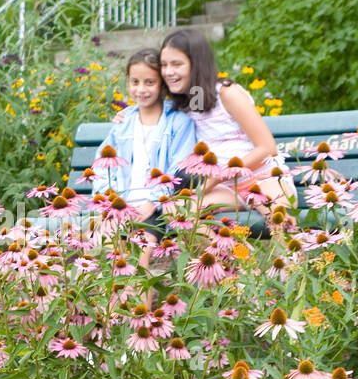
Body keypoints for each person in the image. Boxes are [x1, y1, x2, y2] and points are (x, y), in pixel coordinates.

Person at [159, 28, 295, 221]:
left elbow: (267, 147)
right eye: (164, 65)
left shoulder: (227, 93)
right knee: (175, 211)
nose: (168, 72)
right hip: (227, 190)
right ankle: (233, 251)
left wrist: (215, 179)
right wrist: (126, 115)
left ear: (196, 64)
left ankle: (290, 252)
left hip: (263, 178)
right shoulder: (192, 99)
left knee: (276, 215)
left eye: (177, 64)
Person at [94, 48, 198, 229]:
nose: (141, 89)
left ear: (162, 84)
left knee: (143, 244)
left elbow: (178, 169)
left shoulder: (178, 122)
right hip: (120, 204)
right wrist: (109, 201)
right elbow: (102, 166)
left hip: (157, 208)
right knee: (101, 241)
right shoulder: (124, 123)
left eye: (149, 82)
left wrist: (153, 202)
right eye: (135, 82)